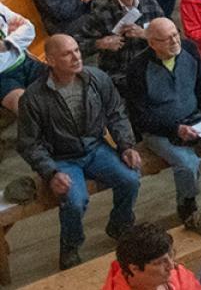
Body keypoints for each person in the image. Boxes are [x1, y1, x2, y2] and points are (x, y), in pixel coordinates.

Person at [16, 34, 141, 270]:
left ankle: (120, 224)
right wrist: (51, 172)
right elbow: (29, 144)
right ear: (51, 61)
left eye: (77, 50)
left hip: (95, 147)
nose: (76, 57)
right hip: (61, 158)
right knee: (75, 201)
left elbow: (116, 113)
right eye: (67, 54)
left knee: (130, 178)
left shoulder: (96, 78)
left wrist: (126, 146)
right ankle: (70, 246)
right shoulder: (33, 97)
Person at [125, 18, 201, 234]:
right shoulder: (137, 69)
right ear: (152, 43)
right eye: (167, 39)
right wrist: (174, 129)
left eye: (175, 34)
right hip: (160, 130)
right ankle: (187, 207)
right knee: (187, 164)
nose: (174, 41)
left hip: (195, 119)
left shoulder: (189, 49)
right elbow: (139, 116)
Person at [80, 0, 165, 91]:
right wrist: (100, 43)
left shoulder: (150, 4)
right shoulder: (102, 11)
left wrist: (146, 34)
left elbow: (171, 33)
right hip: (119, 73)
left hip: (151, 66)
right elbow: (78, 44)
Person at [101, 222, 201, 290]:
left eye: (171, 255)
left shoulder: (180, 276)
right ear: (134, 268)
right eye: (159, 262)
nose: (172, 266)